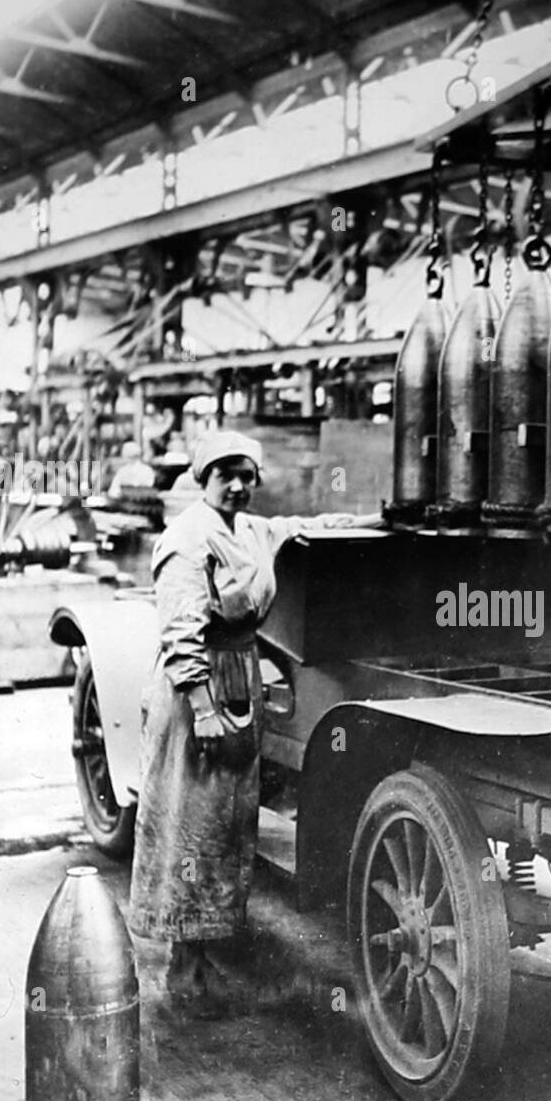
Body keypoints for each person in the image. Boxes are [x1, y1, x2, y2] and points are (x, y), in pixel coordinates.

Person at [127, 427, 379, 1014]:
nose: (239, 486)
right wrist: (204, 708)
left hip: (240, 675)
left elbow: (310, 528)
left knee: (224, 827)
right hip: (198, 691)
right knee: (190, 824)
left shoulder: (253, 530)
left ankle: (205, 955)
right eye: (226, 475)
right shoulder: (187, 539)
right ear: (202, 478)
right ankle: (180, 972)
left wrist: (378, 519)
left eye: (247, 476)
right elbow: (179, 631)